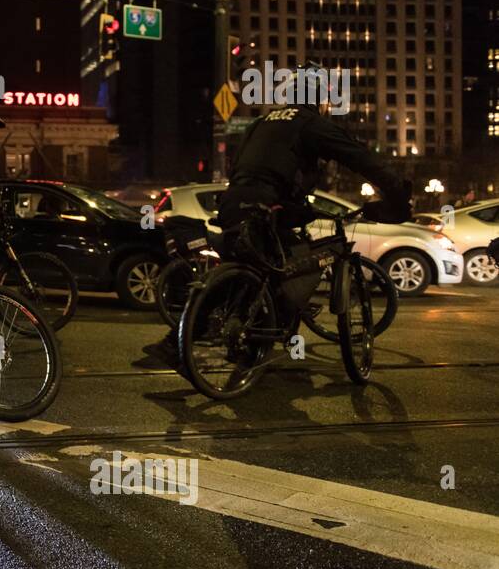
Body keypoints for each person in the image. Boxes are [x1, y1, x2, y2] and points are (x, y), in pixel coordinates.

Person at [145, 94, 411, 367]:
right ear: (317, 101)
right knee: (279, 269)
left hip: (235, 202)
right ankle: (183, 344)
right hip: (267, 206)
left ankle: (249, 343)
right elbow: (362, 158)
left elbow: (243, 167)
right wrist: (398, 193)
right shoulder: (310, 123)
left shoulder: (262, 122)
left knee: (262, 268)